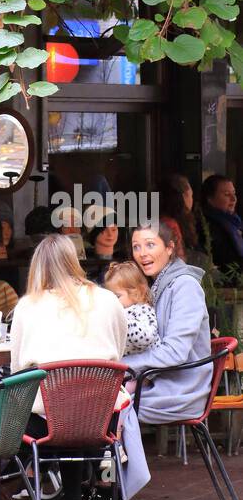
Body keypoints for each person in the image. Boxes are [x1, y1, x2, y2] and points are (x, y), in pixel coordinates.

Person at [10, 236, 129, 500]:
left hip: (47, 430)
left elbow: (16, 373)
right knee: (77, 404)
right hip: (102, 424)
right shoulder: (107, 300)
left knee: (45, 407)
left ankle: (4, 483)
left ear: (36, 267)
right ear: (76, 261)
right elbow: (119, 350)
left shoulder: (27, 307)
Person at [126, 220, 212, 425]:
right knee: (94, 401)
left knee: (101, 409)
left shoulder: (185, 286)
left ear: (170, 248)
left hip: (181, 392)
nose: (142, 253)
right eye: (136, 247)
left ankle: (120, 459)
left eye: (150, 244)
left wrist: (122, 365)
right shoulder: (160, 285)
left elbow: (176, 351)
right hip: (158, 382)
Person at [104, 260, 159, 354]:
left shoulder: (143, 310)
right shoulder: (120, 310)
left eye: (117, 296)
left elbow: (147, 337)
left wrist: (122, 322)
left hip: (144, 363)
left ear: (137, 293)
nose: (113, 301)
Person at [201, 175, 243, 271]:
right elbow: (226, 262)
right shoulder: (208, 226)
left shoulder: (234, 222)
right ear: (210, 199)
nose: (233, 199)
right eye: (227, 194)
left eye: (234, 193)